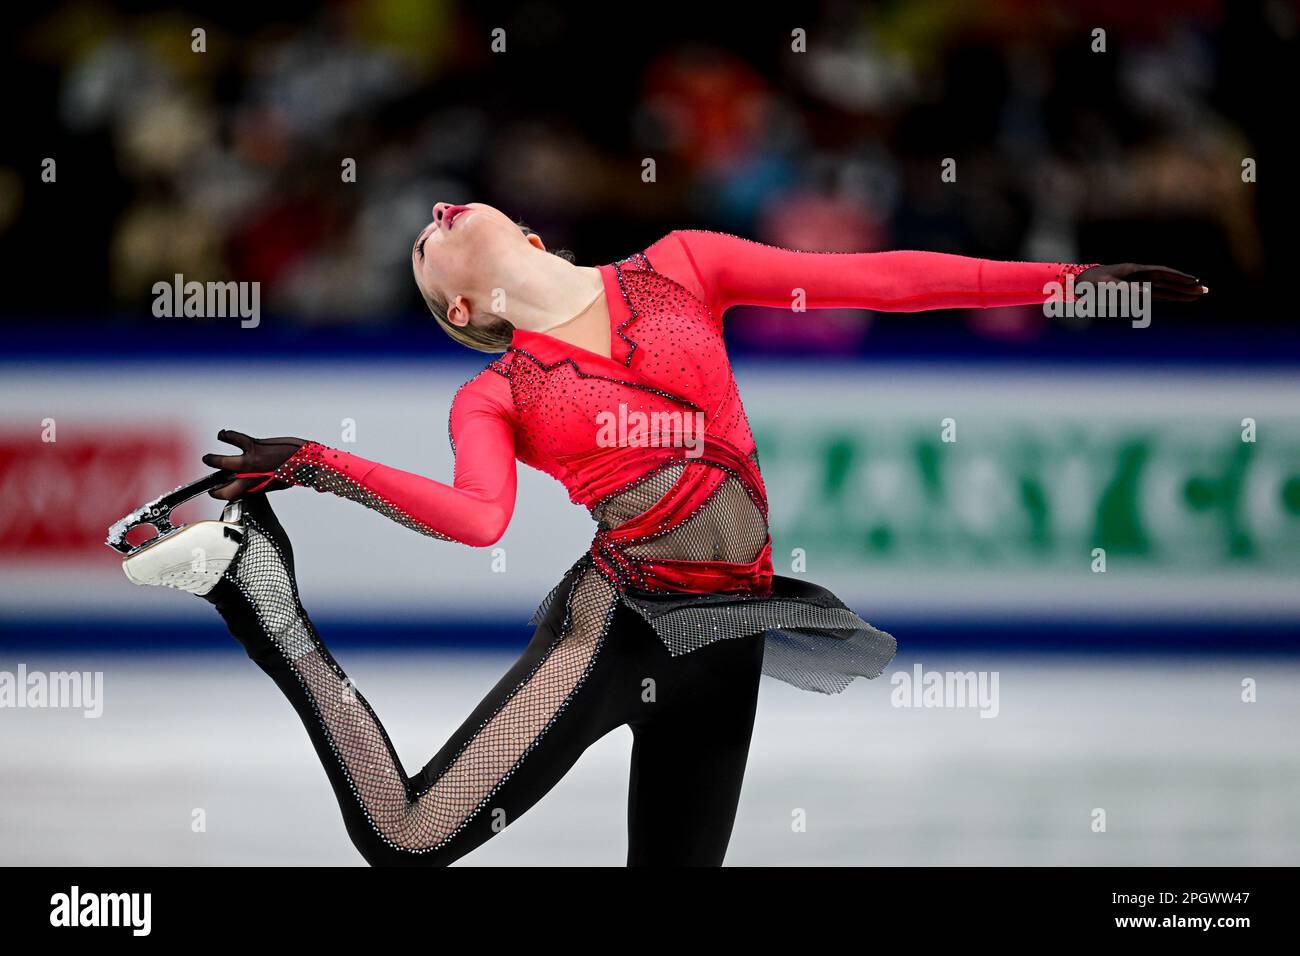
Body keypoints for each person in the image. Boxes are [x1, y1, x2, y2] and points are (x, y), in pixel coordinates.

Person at [132, 202, 1206, 865]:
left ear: (533, 235)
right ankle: (264, 600)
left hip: (730, 636)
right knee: (404, 837)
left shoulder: (683, 264)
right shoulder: (493, 391)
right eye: (425, 243)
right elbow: (478, 516)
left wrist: (1068, 283)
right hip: (618, 628)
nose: (440, 210)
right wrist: (315, 463)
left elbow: (875, 278)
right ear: (462, 310)